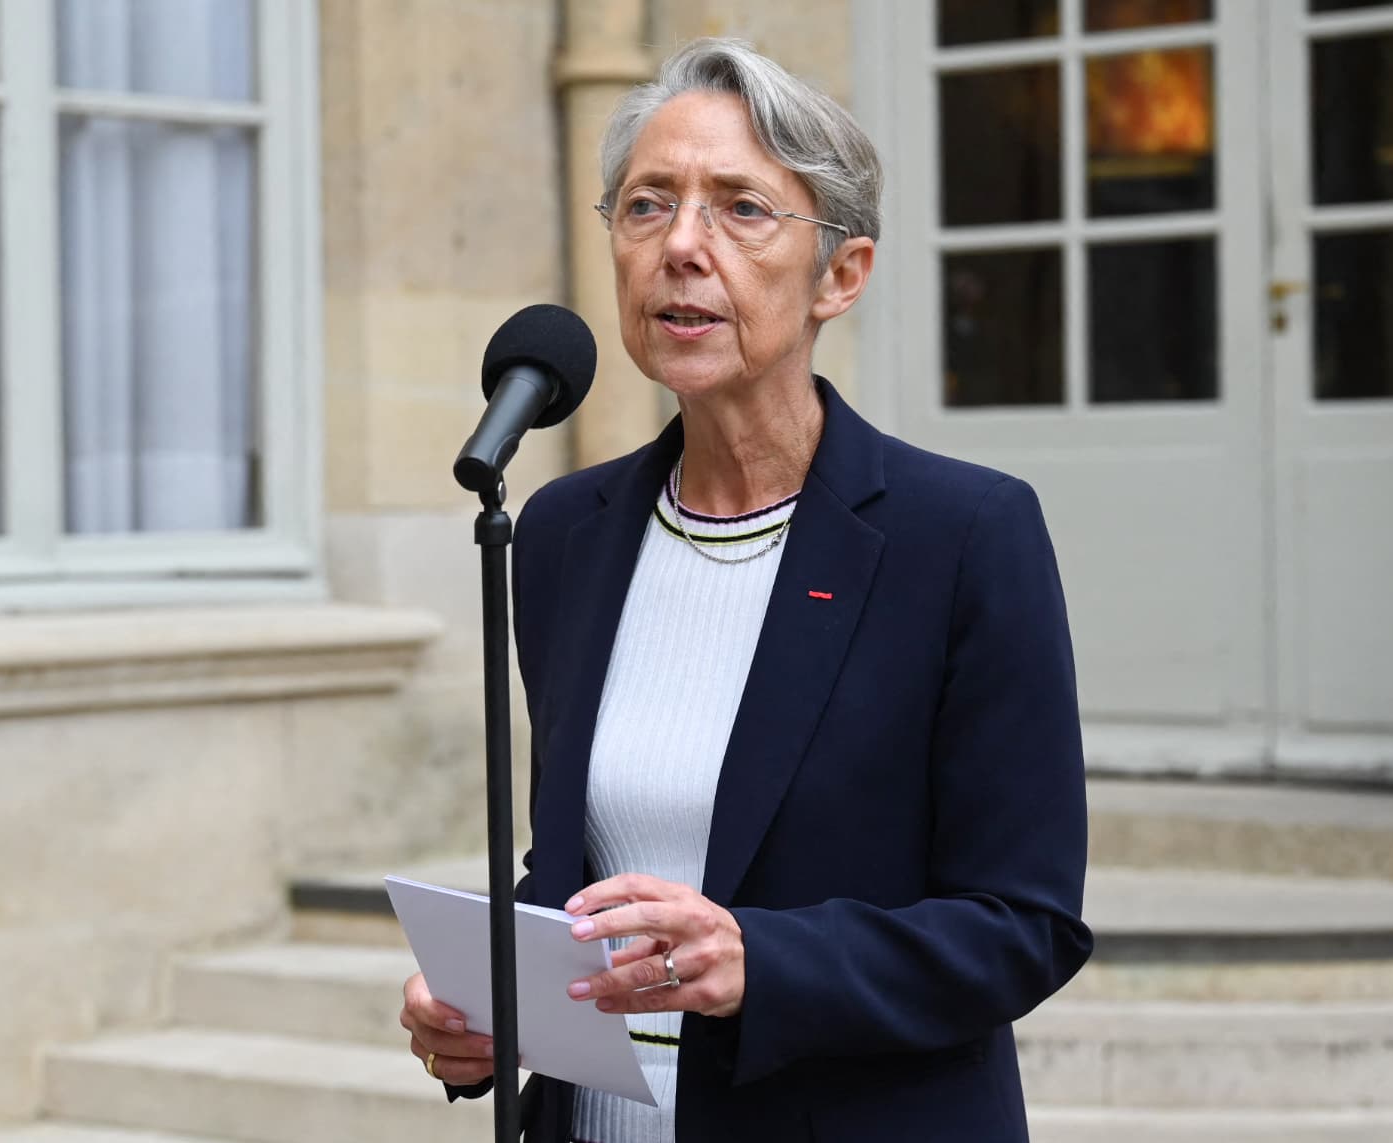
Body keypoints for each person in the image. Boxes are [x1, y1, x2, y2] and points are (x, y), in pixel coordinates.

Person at [399, 37, 1092, 1143]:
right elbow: (576, 873)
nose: (681, 246)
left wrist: (756, 960)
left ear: (842, 274)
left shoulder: (963, 535)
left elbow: (1022, 927)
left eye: (740, 209)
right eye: (646, 205)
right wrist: (488, 1004)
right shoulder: (568, 533)